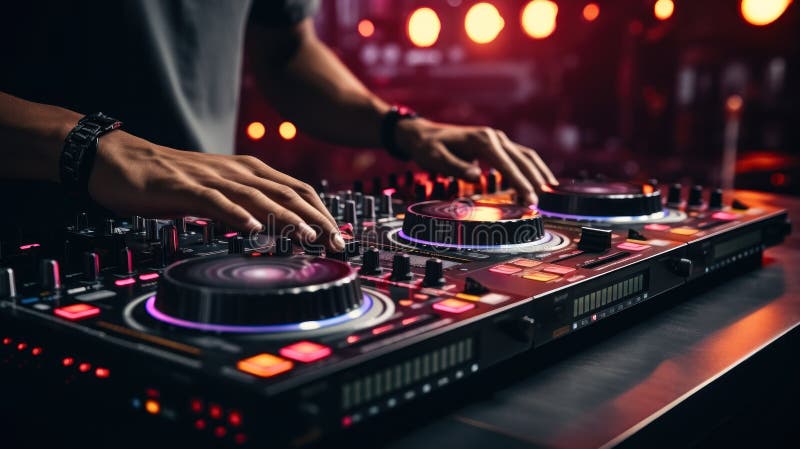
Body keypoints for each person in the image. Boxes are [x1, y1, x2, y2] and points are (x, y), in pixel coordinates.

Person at [0, 1, 557, 253]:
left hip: (205, 232)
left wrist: (400, 127)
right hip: (29, 235)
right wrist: (89, 148)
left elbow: (287, 48)